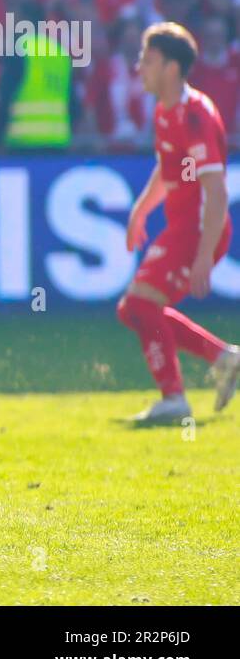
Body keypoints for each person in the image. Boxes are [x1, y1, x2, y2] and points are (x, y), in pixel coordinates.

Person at [120, 22, 239, 425]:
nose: (140, 67)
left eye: (148, 60)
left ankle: (174, 398)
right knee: (135, 309)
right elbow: (168, 171)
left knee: (140, 304)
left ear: (172, 68)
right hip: (183, 227)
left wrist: (205, 254)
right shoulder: (166, 111)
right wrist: (141, 210)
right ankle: (223, 358)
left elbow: (217, 192)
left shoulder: (195, 117)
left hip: (199, 230)